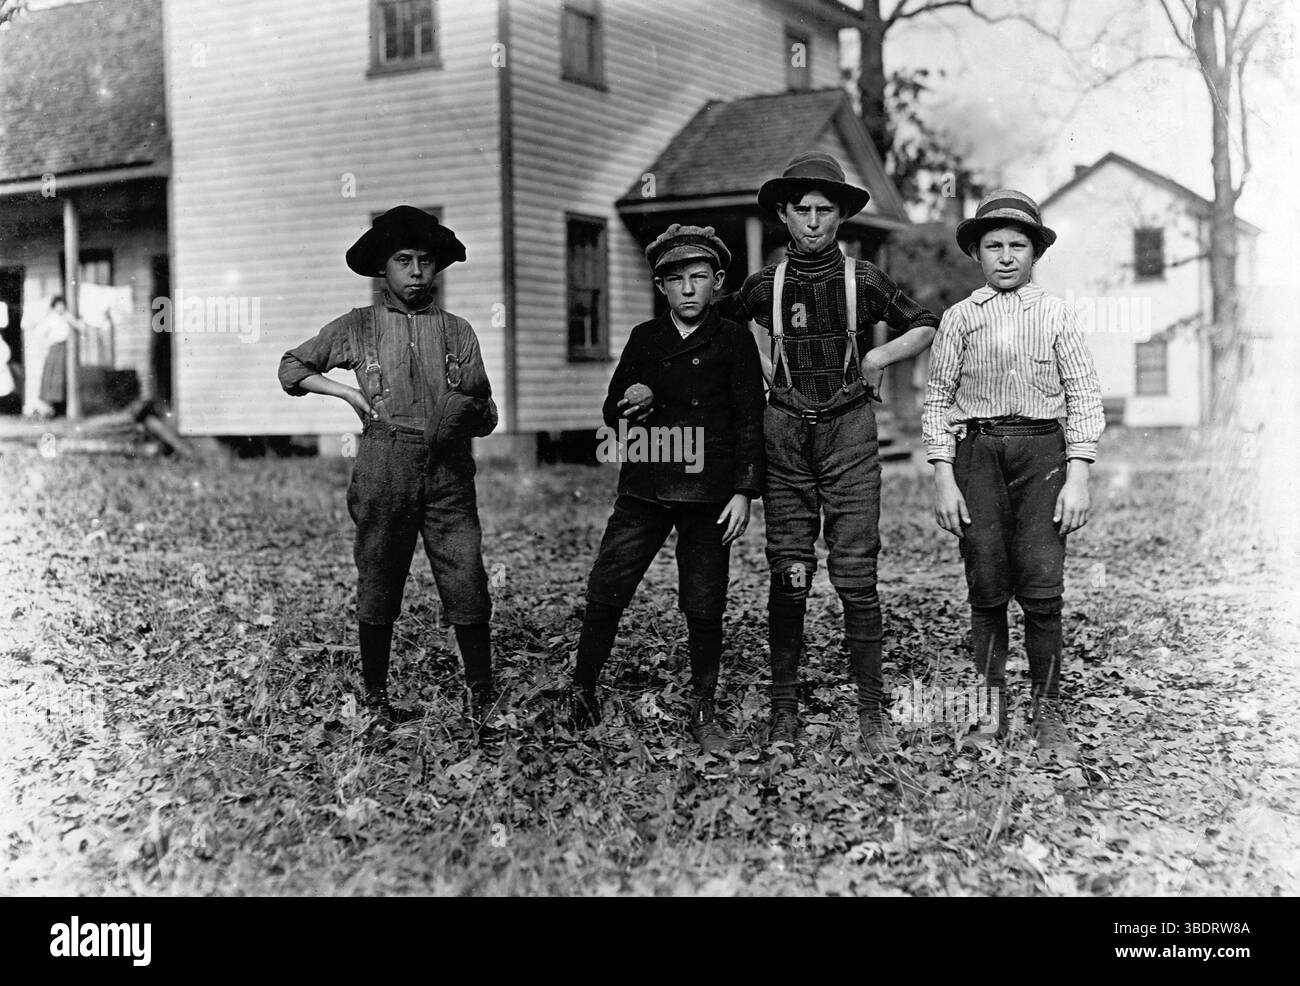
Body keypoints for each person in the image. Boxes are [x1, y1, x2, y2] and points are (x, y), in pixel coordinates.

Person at [716, 151, 939, 755]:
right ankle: (784, 711)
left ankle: (871, 713)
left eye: (825, 210)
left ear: (841, 217)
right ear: (783, 215)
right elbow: (720, 327)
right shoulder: (765, 284)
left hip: (848, 433)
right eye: (802, 210)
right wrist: (763, 366)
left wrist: (876, 358)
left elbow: (924, 323)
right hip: (784, 436)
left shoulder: (861, 280)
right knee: (790, 572)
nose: (813, 222)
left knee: (856, 575)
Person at [278, 206, 499, 735]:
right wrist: (348, 392)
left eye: (426, 260)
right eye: (404, 261)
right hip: (383, 462)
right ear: (384, 268)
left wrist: (463, 411)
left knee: (466, 574)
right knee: (380, 573)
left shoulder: (458, 331)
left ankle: (482, 698)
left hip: (448, 468)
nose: (417, 271)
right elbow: (292, 367)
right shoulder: (358, 326)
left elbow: (488, 413)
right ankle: (376, 699)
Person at [566, 224, 765, 754]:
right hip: (647, 485)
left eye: (699, 277)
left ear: (718, 281)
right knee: (608, 584)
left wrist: (744, 491)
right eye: (675, 279)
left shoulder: (734, 340)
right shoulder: (644, 339)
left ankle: (704, 707)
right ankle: (582, 688)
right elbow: (611, 412)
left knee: (704, 601)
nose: (688, 288)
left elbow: (750, 419)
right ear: (661, 287)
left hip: (710, 492)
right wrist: (631, 400)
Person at [922, 189, 1104, 760]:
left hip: (1042, 453)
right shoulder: (959, 319)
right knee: (987, 584)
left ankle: (1048, 713)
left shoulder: (1056, 314)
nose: (1005, 256)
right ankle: (988, 711)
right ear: (976, 252)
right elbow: (936, 401)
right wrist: (943, 476)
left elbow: (1083, 395)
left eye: (1017, 245)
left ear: (1035, 253)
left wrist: (1078, 474)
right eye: (993, 245)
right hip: (978, 454)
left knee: (1043, 588)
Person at [31, 296, 90, 418]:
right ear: (54, 306)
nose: (60, 307)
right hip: (55, 349)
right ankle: (51, 409)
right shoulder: (51, 318)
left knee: (64, 377)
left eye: (62, 304)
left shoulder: (67, 316)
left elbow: (81, 328)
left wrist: (74, 319)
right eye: (58, 305)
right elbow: (38, 332)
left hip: (66, 350)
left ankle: (61, 408)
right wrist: (48, 342)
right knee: (52, 377)